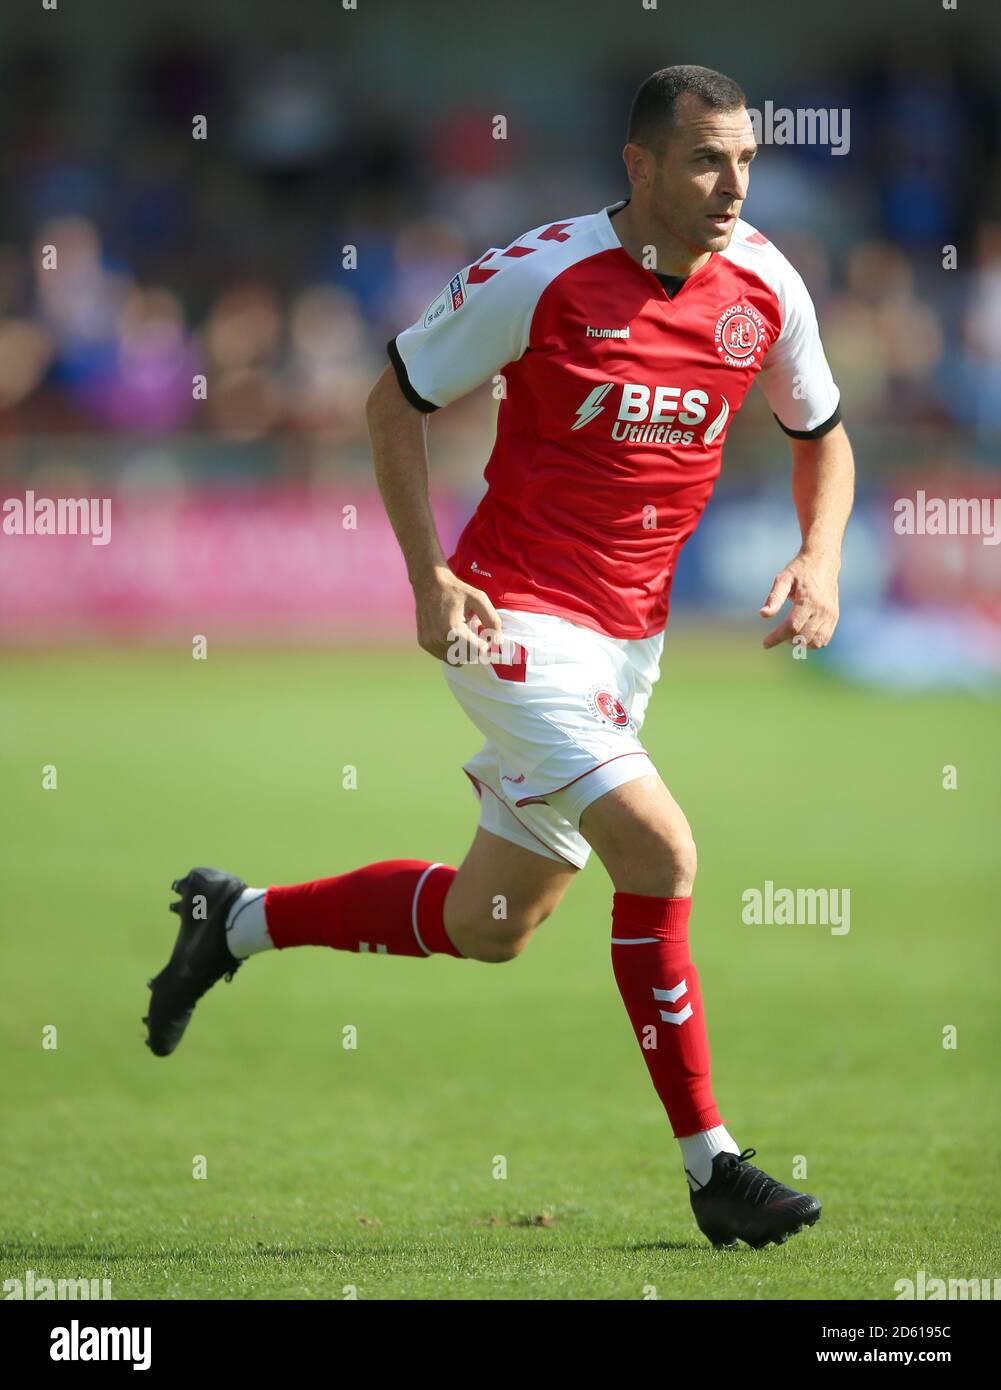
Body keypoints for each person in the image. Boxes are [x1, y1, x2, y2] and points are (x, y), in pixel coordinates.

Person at [145, 65, 854, 1251]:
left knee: (492, 921)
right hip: (510, 618)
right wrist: (428, 574)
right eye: (702, 160)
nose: (731, 184)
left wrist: (820, 558)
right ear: (637, 166)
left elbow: (821, 437)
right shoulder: (540, 275)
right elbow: (393, 402)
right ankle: (712, 1169)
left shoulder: (766, 286)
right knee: (661, 850)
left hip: (628, 646)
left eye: (743, 159)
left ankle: (237, 921)